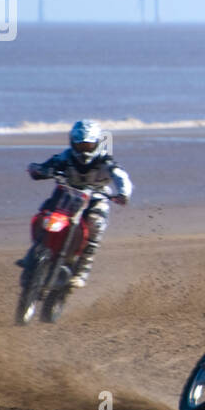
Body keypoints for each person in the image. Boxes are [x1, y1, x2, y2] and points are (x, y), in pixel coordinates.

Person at [19, 119, 132, 288]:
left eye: (88, 146)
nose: (84, 150)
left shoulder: (106, 162)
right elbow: (46, 166)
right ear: (72, 143)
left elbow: (121, 177)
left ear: (97, 143)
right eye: (80, 146)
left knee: (96, 224)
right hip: (68, 194)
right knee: (45, 211)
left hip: (96, 198)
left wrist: (123, 193)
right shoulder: (66, 157)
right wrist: (38, 170)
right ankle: (35, 252)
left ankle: (81, 272)